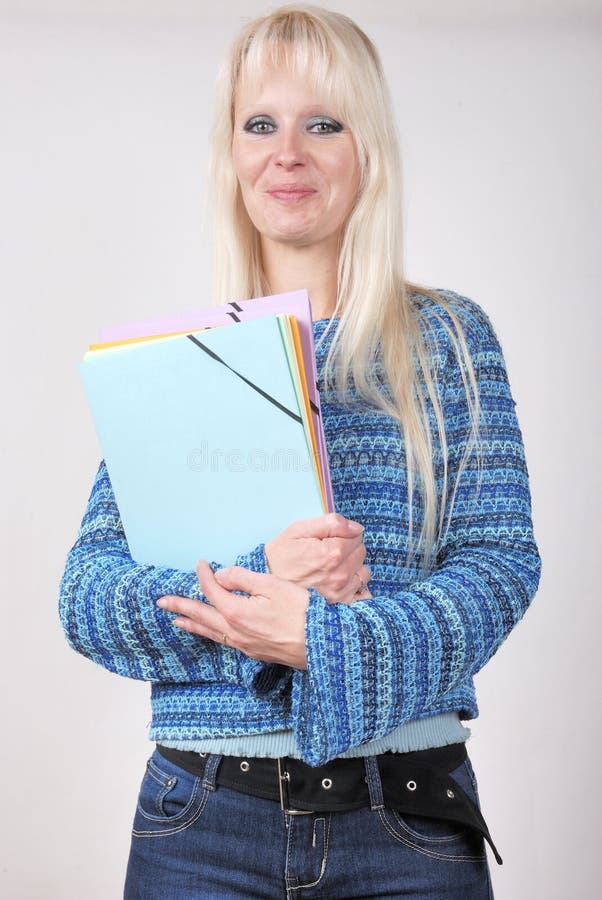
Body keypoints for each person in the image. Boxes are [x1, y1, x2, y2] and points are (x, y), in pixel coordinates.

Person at [59, 6, 541, 898]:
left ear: (368, 151)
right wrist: (255, 586)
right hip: (198, 826)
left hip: (406, 825)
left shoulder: (448, 340)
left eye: (324, 122)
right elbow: (87, 598)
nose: (289, 153)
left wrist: (326, 639)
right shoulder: (184, 361)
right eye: (260, 124)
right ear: (232, 156)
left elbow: (502, 567)